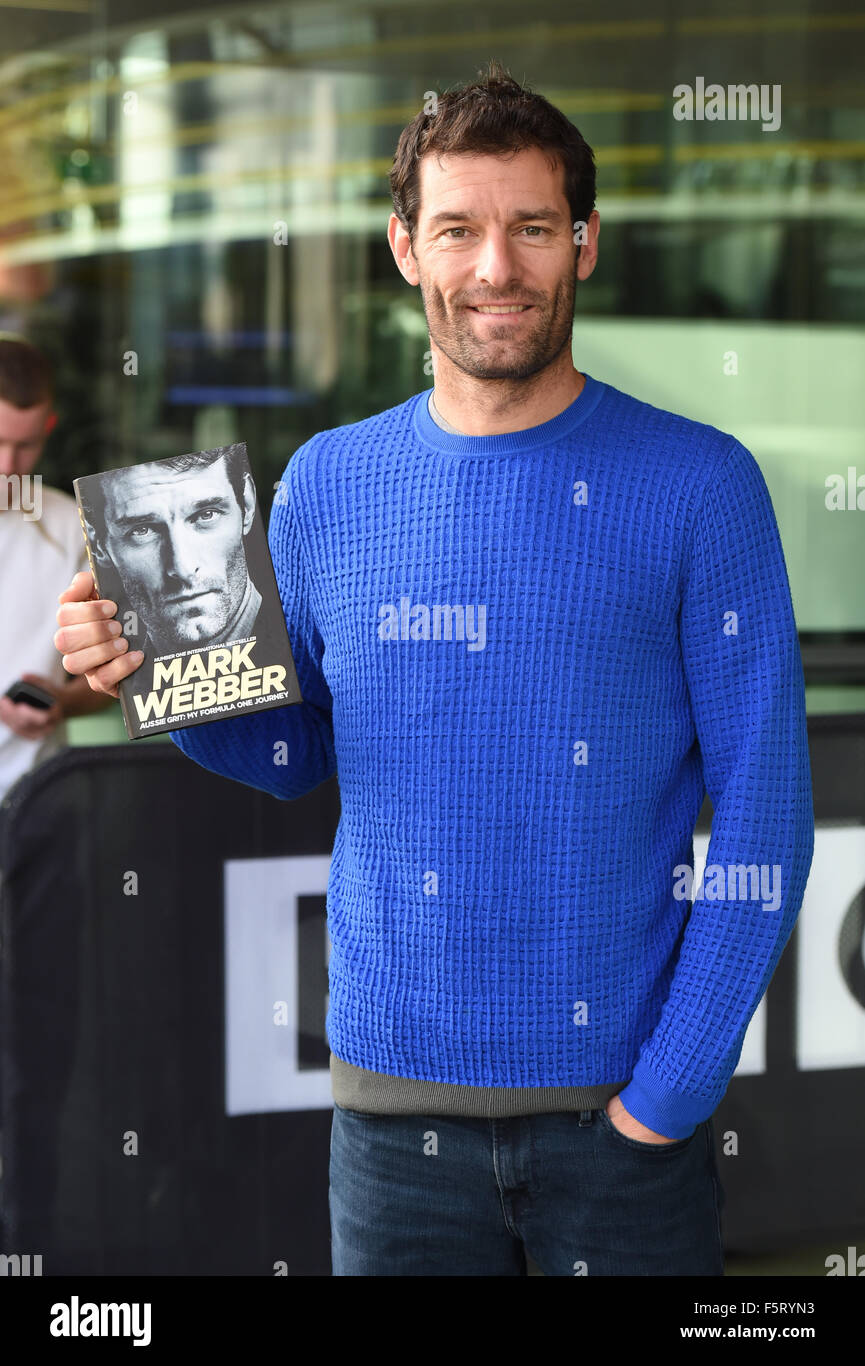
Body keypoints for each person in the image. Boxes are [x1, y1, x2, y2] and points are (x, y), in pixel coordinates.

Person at [54, 62, 815, 1277]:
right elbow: (299, 751)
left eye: (529, 228)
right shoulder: (327, 483)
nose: (494, 267)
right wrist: (154, 680)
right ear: (407, 248)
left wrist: (663, 1101)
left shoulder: (699, 484)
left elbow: (769, 815)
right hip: (388, 1128)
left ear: (585, 243)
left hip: (619, 1131)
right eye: (457, 228)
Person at [0, 336, 114, 803]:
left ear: (48, 428)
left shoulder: (72, 525)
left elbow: (116, 672)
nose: (8, 467)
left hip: (34, 807)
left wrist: (60, 703)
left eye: (25, 446)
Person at [77, 447, 276, 662]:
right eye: (142, 530)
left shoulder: (299, 637)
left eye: (207, 515)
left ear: (246, 505)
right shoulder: (127, 659)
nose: (183, 568)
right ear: (98, 545)